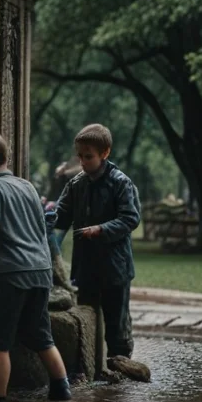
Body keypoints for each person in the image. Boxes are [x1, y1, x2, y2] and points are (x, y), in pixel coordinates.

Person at [0, 130, 71, 402]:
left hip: (9, 273)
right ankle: (61, 387)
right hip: (40, 271)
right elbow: (25, 223)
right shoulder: (27, 186)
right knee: (41, 335)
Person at [47, 123, 141, 360]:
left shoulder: (120, 183)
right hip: (86, 267)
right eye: (79, 156)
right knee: (87, 319)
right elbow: (61, 216)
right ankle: (91, 367)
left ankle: (121, 366)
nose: (82, 161)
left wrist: (101, 229)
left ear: (105, 153)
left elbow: (130, 218)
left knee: (117, 326)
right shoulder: (76, 184)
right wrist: (41, 218)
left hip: (115, 268)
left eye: (88, 156)